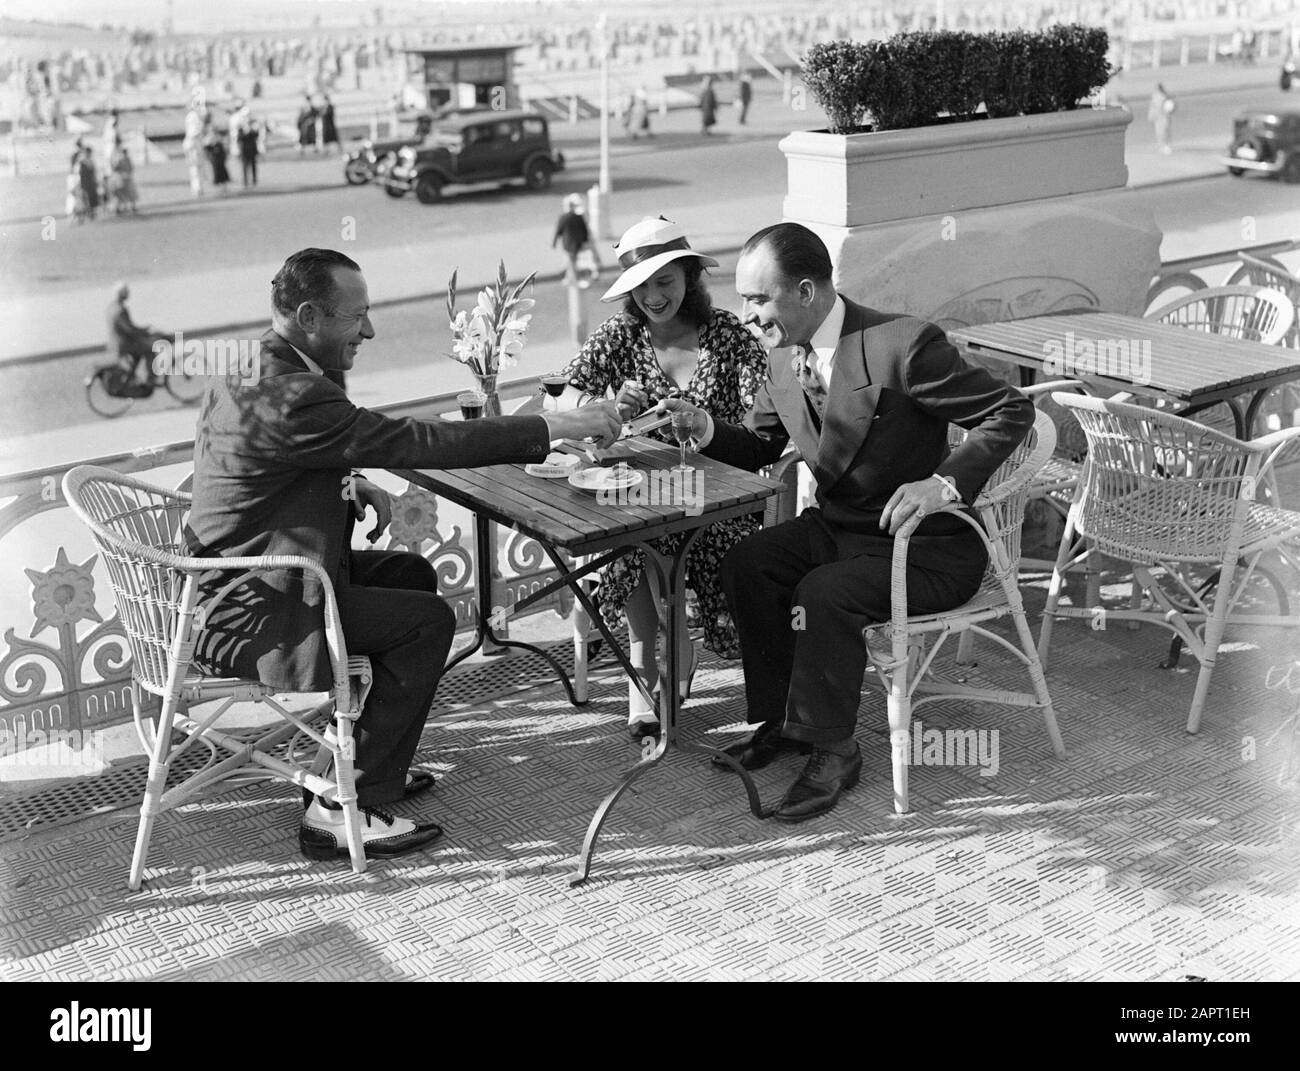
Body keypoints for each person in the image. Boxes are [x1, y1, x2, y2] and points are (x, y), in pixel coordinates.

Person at [185, 248, 622, 862]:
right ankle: (340, 808)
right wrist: (557, 427)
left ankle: (362, 760)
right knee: (428, 623)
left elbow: (266, 460)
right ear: (309, 316)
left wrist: (347, 478)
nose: (368, 331)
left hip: (242, 583)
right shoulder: (295, 392)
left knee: (412, 576)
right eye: (356, 316)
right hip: (262, 607)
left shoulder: (251, 364)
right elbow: (410, 439)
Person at [658, 223, 1033, 822]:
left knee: (821, 592)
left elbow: (1010, 410)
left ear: (806, 292)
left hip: (926, 549)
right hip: (840, 530)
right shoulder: (782, 356)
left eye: (758, 298)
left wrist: (943, 483)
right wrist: (703, 428)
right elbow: (759, 445)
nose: (747, 314)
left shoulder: (902, 344)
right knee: (749, 562)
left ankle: (835, 748)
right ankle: (784, 721)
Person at [555, 217, 769, 740]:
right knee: (632, 538)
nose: (653, 296)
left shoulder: (730, 338)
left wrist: (706, 426)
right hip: (641, 491)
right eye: (641, 285)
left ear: (691, 277)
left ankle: (666, 659)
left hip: (720, 498)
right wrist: (604, 406)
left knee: (642, 538)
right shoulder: (620, 335)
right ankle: (644, 673)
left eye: (665, 281)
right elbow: (559, 399)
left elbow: (764, 438)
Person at [106, 282, 164, 386]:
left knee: (140, 349)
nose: (129, 294)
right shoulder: (121, 310)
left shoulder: (112, 307)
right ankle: (151, 378)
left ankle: (133, 375)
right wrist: (144, 332)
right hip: (123, 343)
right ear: (123, 294)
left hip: (115, 341)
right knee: (149, 349)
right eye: (127, 292)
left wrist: (142, 331)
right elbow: (129, 330)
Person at [552, 193, 602, 287]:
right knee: (572, 261)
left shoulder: (565, 216)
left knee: (572, 261)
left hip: (570, 244)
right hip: (577, 243)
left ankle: (571, 278)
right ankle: (575, 278)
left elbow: (558, 230)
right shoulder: (576, 215)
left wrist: (554, 243)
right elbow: (584, 229)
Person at [107, 135, 138, 214]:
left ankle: (124, 207)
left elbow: (130, 167)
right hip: (119, 176)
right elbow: (114, 165)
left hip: (122, 175)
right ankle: (120, 207)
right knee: (121, 192)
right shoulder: (115, 152)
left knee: (126, 192)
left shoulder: (117, 152)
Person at [1148, 83, 1175, 155]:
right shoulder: (1156, 97)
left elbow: (1170, 107)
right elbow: (1153, 107)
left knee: (1164, 131)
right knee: (1160, 132)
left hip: (1163, 117)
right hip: (1159, 117)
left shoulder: (1164, 97)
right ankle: (1163, 146)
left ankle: (1166, 146)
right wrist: (1151, 116)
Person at [237, 116, 261, 188]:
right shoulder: (241, 130)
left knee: (253, 166)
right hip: (244, 152)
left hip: (252, 151)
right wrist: (246, 132)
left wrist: (253, 130)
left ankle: (254, 180)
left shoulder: (252, 130)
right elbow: (239, 139)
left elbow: (256, 136)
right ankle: (245, 182)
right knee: (245, 168)